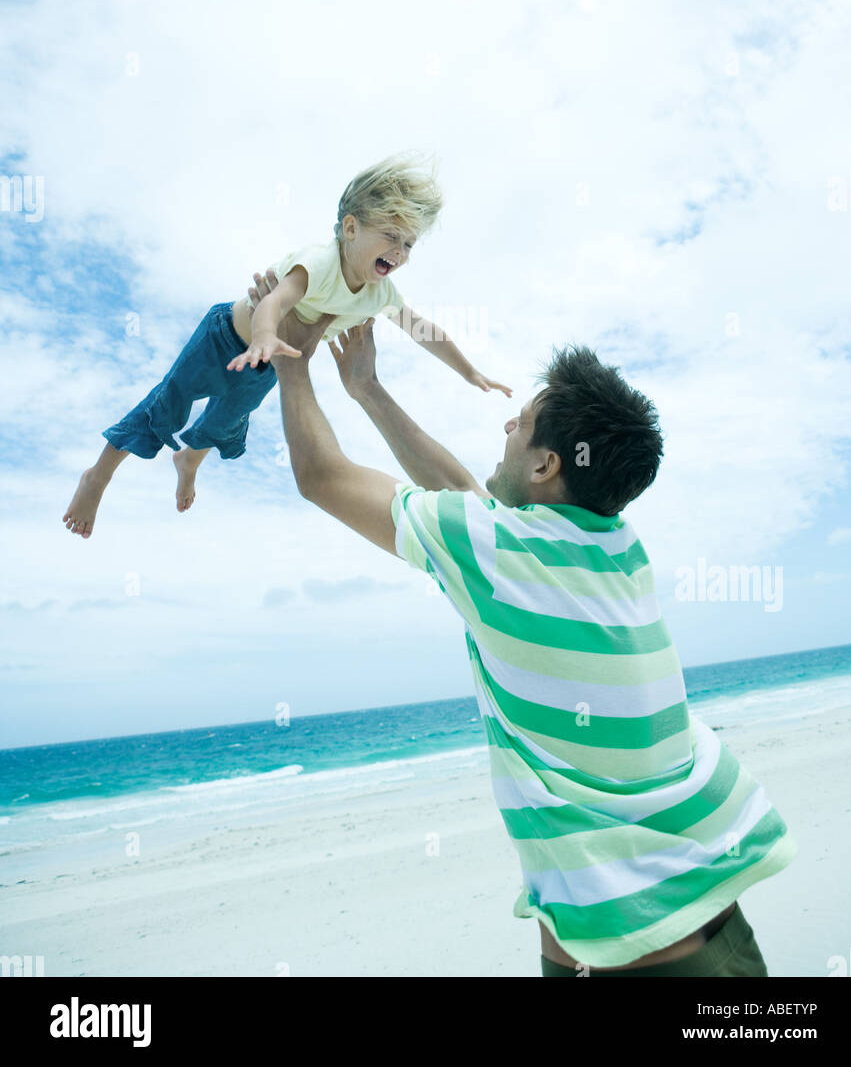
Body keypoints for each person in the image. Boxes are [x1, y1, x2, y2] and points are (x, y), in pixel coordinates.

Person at [253, 276, 797, 977]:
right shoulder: (615, 545)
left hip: (634, 967)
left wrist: (291, 354)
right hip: (720, 934)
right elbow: (472, 505)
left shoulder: (498, 557)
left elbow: (322, 476)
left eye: (520, 422)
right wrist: (369, 391)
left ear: (545, 464)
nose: (505, 426)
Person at [62, 153, 511, 538]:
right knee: (168, 407)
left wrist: (469, 371)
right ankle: (97, 476)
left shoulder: (380, 294)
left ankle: (189, 460)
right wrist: (262, 336)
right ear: (351, 228)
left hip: (270, 363)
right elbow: (275, 300)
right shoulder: (319, 262)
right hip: (227, 339)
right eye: (391, 236)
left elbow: (422, 329)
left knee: (224, 421)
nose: (400, 251)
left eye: (409, 243)